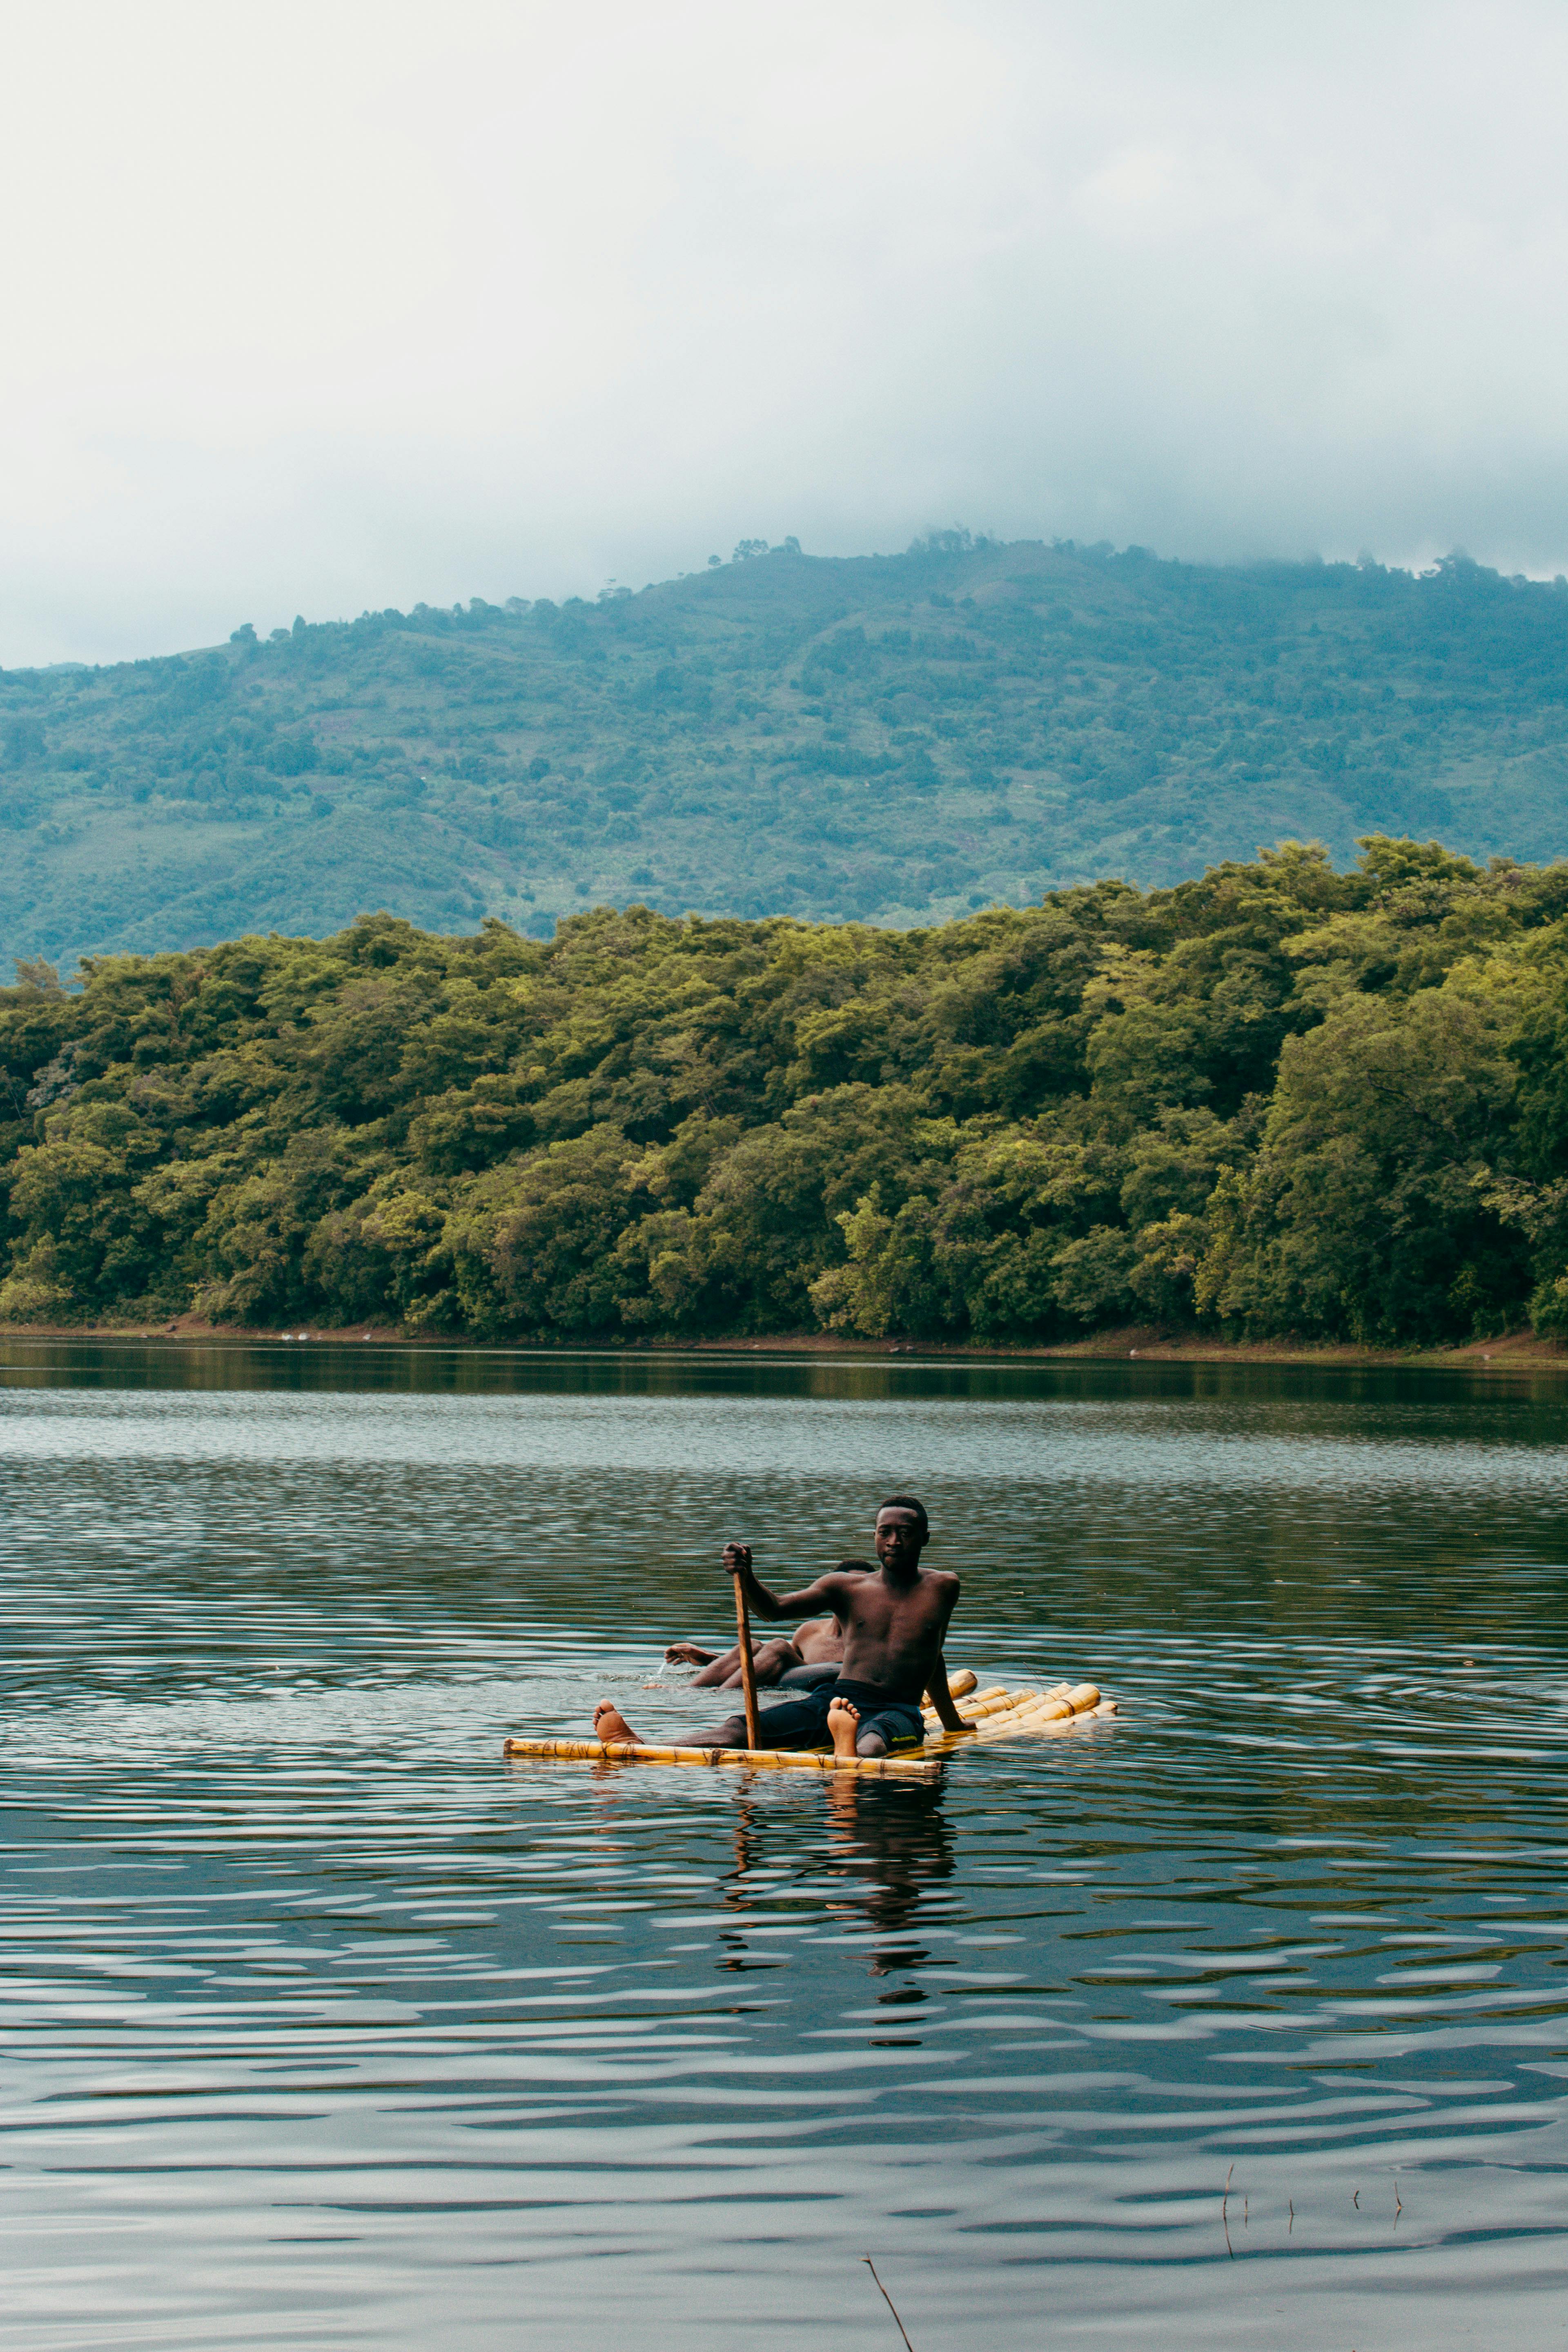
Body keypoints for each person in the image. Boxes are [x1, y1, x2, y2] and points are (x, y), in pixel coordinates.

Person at [593, 1496, 967, 1760]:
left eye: (906, 1533)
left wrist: (951, 1722)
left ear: (925, 1539)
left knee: (874, 1744)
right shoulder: (844, 1588)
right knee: (739, 1729)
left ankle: (847, 1747)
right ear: (873, 1537)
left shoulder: (942, 1587)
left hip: (897, 1708)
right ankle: (642, 1746)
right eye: (885, 1531)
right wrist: (747, 1575)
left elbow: (930, 1654)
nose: (894, 1541)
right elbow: (774, 1611)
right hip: (838, 1699)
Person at [664, 1609, 846, 1690]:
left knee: (779, 1646)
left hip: (830, 1692)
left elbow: (778, 1654)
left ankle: (715, 1695)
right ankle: (689, 1690)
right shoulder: (810, 1631)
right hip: (793, 1685)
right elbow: (770, 1665)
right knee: (753, 1645)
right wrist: (710, 1660)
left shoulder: (872, 1638)